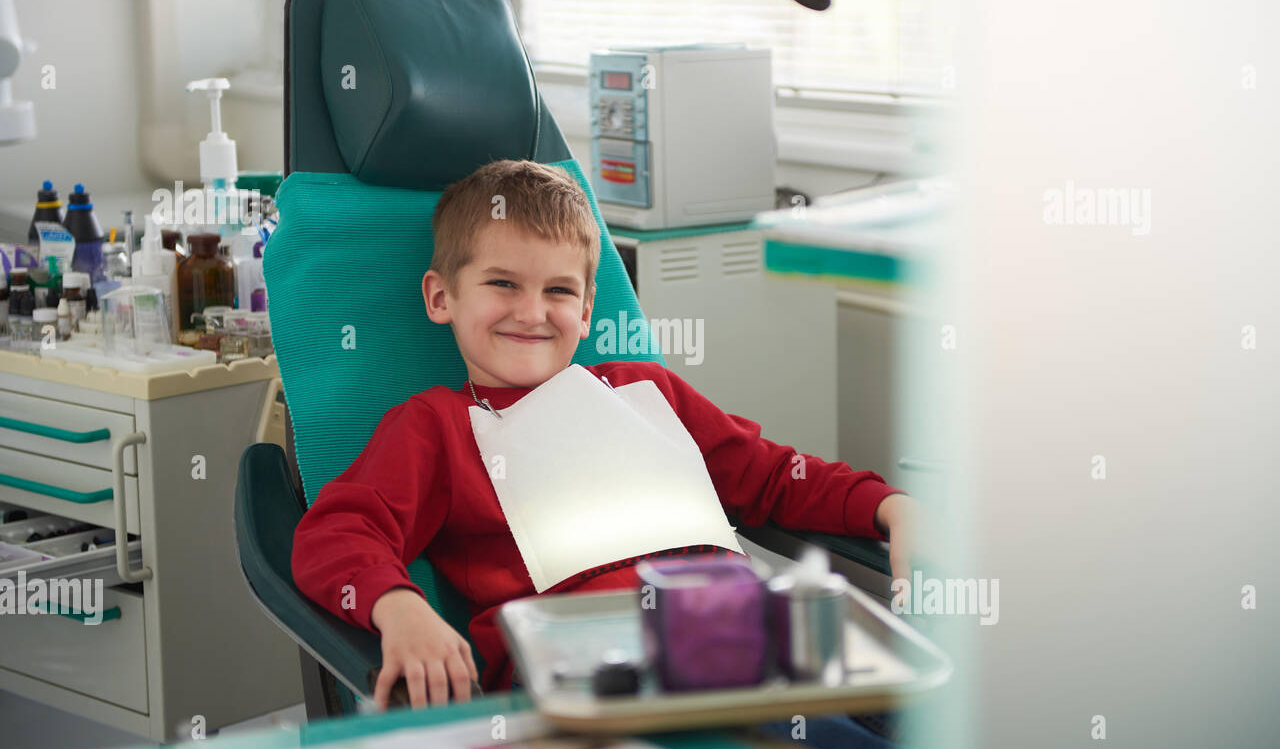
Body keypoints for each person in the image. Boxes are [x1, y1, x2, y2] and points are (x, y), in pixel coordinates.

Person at [291, 159, 923, 714]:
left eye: (559, 290)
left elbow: (774, 476)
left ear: (588, 309)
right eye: (502, 283)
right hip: (596, 680)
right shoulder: (438, 425)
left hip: (749, 649)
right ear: (440, 297)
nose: (532, 312)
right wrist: (398, 609)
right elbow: (340, 531)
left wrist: (893, 507)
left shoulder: (647, 391)